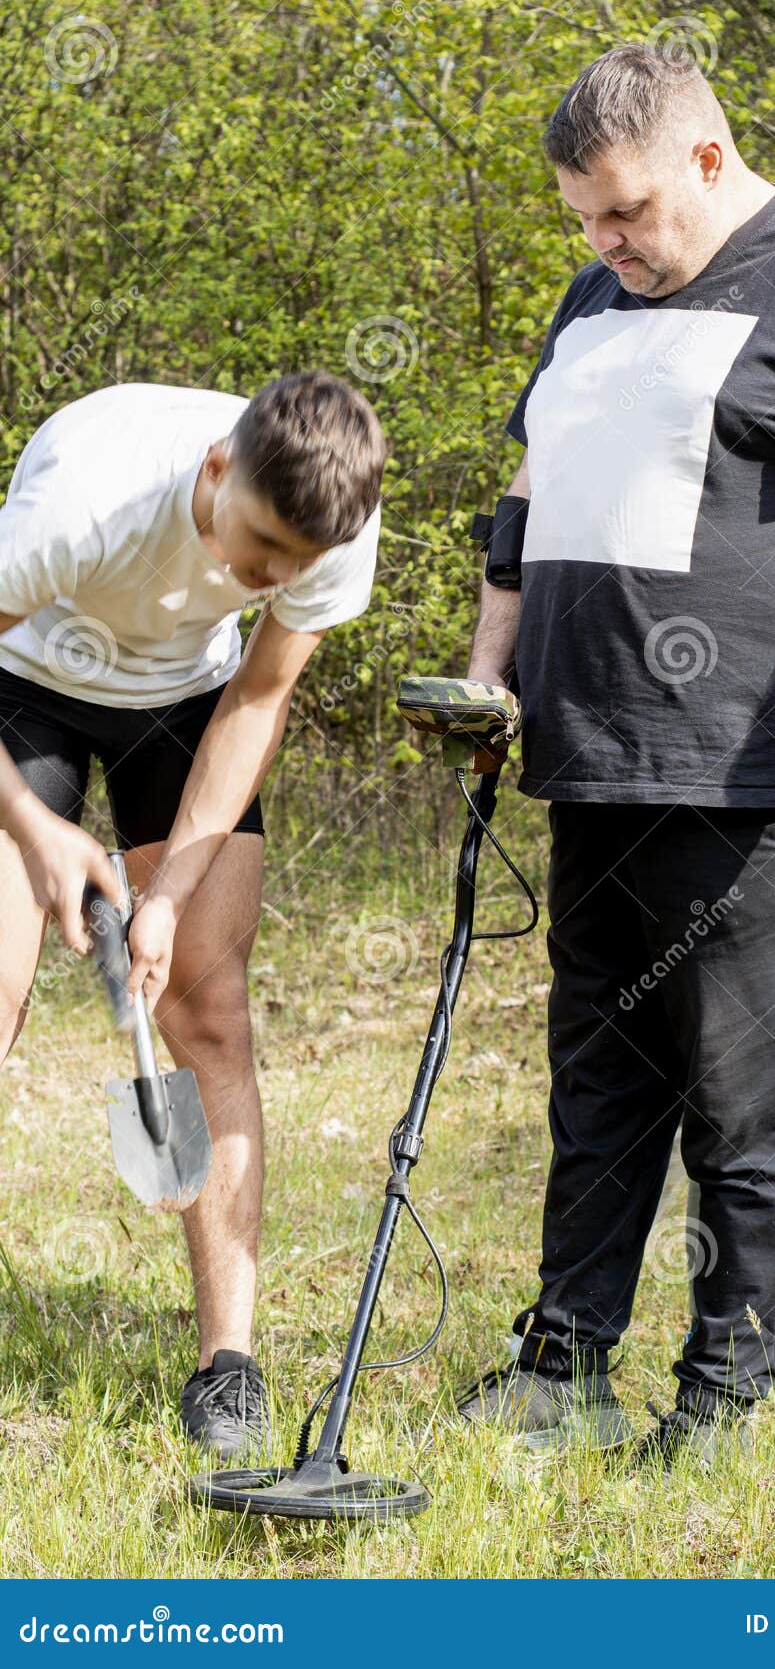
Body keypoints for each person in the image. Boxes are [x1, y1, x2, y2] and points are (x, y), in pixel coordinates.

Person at [457, 43, 775, 1469]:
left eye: (621, 212)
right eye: (579, 218)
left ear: (702, 157)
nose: (601, 242)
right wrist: (486, 674)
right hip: (589, 760)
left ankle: (722, 1396)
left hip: (749, 770)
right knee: (599, 1084)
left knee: (744, 1101)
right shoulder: (591, 300)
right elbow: (527, 493)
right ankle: (562, 1362)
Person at [0, 370, 385, 1456]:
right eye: (258, 548)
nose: (269, 578)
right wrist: (36, 827)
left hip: (185, 699)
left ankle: (229, 1368)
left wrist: (164, 895)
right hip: (21, 676)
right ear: (216, 470)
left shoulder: (331, 521)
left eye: (291, 568)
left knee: (209, 1010)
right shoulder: (88, 498)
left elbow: (258, 694)